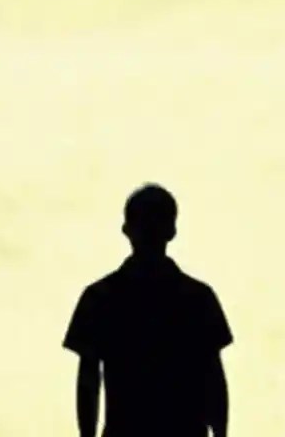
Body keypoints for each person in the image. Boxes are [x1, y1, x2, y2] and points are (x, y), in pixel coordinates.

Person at [63, 183, 232, 437]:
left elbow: (88, 381)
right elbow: (213, 380)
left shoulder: (100, 298)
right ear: (172, 230)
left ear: (127, 230)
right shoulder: (197, 298)